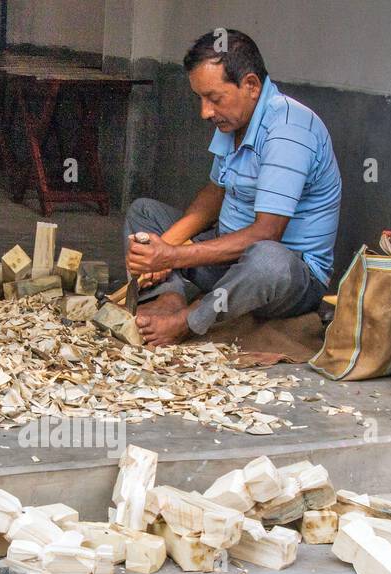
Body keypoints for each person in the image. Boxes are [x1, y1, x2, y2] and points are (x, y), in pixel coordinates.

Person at [124, 29, 342, 346]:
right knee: (143, 214)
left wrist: (171, 256)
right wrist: (162, 252)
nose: (205, 112)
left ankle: (187, 321)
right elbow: (216, 193)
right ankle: (169, 300)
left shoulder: (289, 129)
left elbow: (266, 234)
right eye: (200, 98)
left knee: (268, 259)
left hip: (286, 279)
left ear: (251, 86)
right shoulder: (235, 119)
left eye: (214, 98)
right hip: (228, 258)